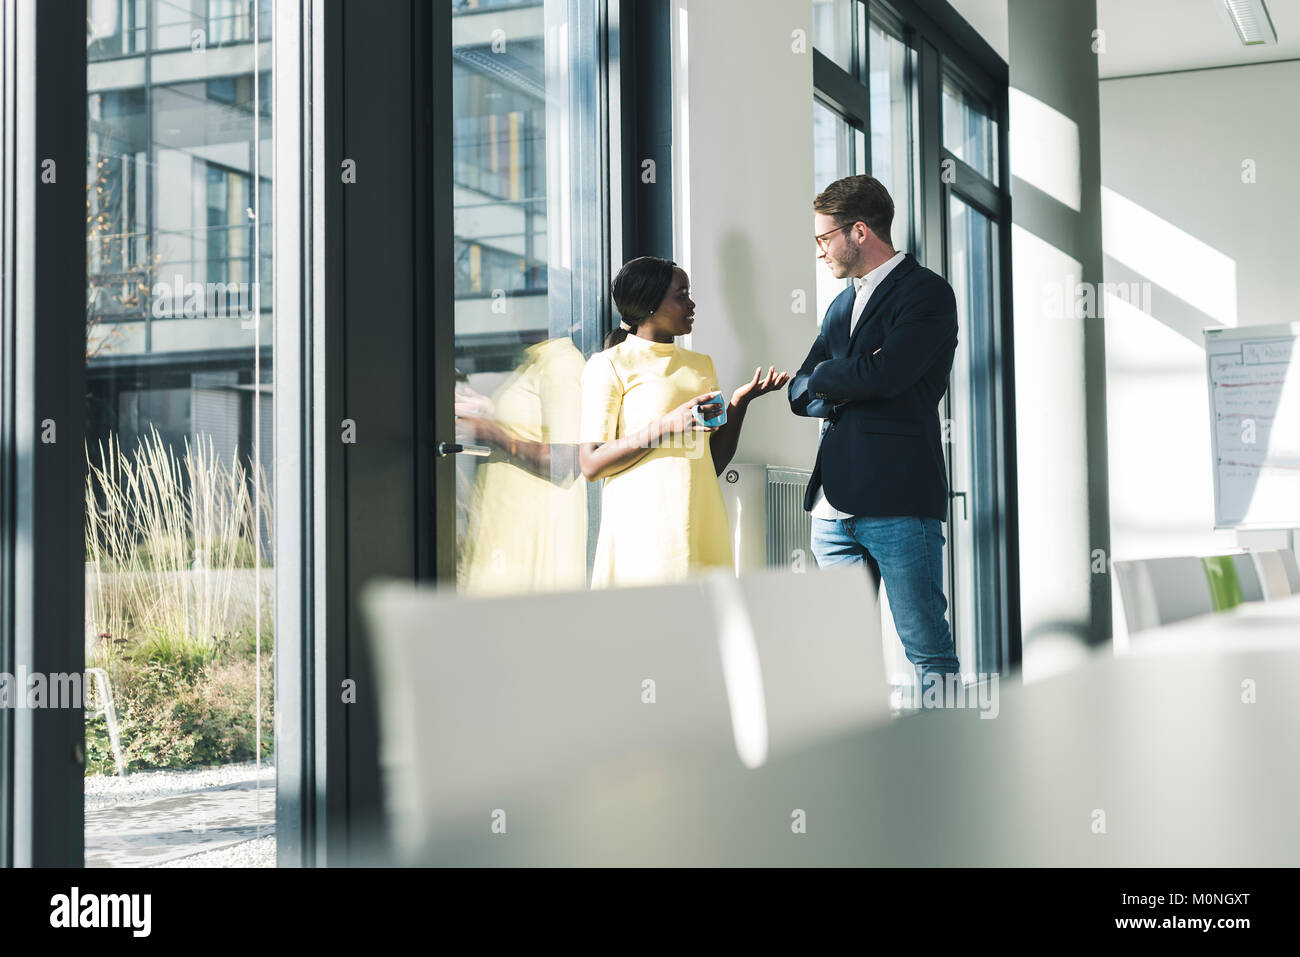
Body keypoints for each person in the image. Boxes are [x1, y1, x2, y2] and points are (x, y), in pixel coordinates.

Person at [787, 174, 961, 704]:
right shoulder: (841, 306)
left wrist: (836, 377)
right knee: (842, 650)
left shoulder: (927, 293)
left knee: (926, 648)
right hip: (831, 509)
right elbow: (799, 389)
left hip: (898, 501)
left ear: (858, 231)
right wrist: (847, 376)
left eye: (823, 239)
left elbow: (888, 378)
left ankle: (945, 760)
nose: (820, 252)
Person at [579, 256, 789, 588]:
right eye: (681, 295)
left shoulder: (700, 365)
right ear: (649, 304)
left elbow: (711, 462)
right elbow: (590, 463)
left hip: (701, 524)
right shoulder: (607, 366)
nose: (691, 304)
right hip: (642, 534)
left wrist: (739, 403)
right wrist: (667, 425)